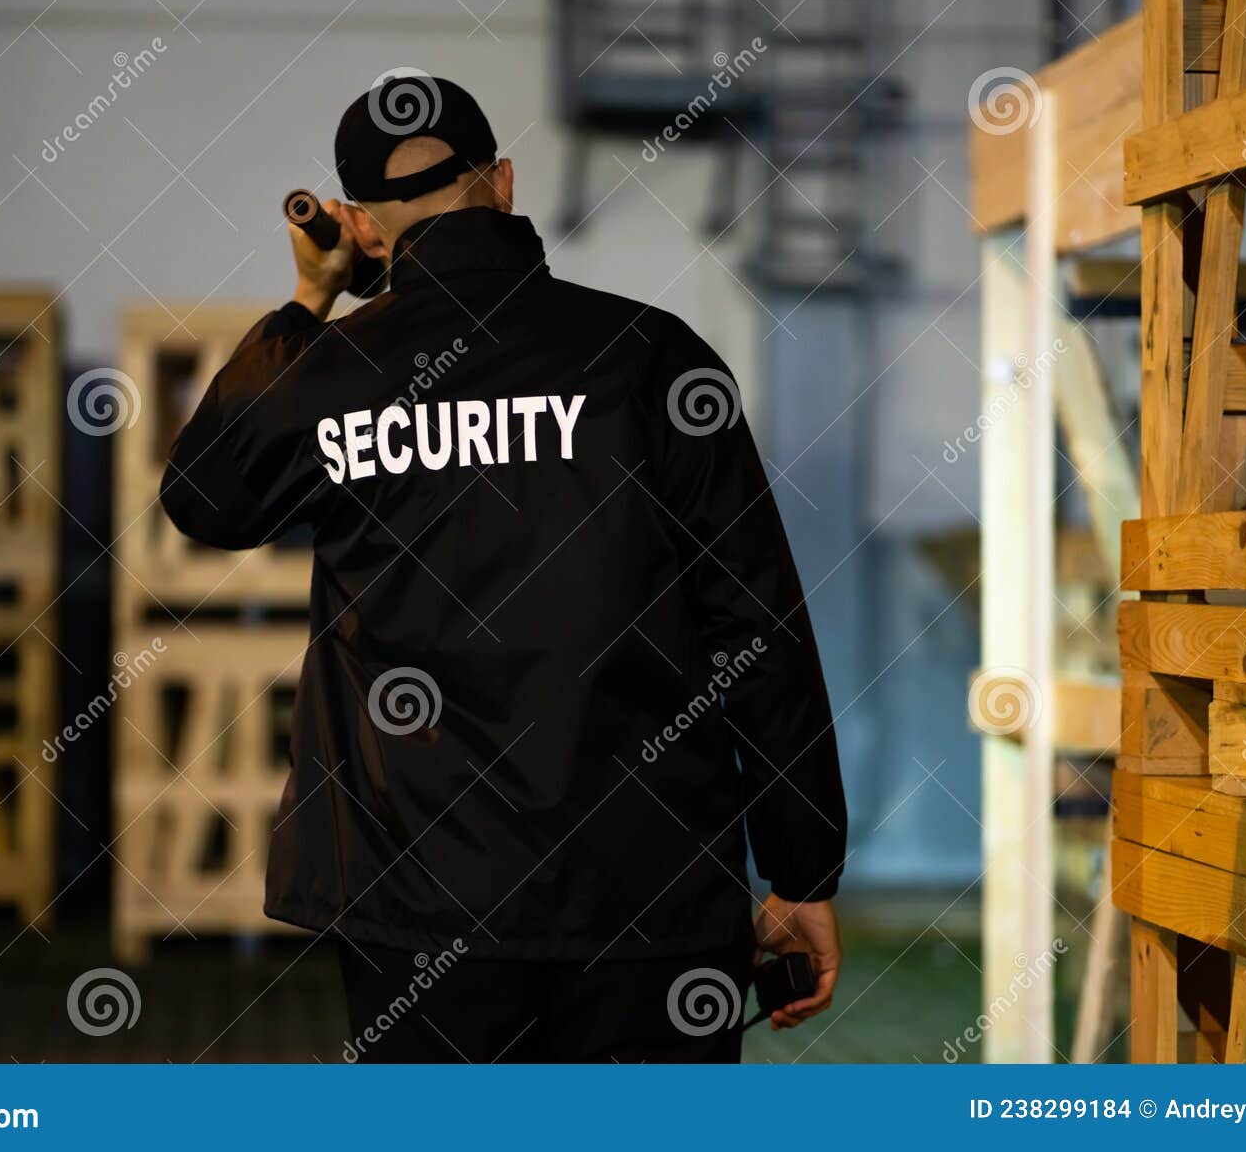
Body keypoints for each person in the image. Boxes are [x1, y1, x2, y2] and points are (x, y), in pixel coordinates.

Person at [160, 75, 847, 1063]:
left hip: (417, 907)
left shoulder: (331, 373)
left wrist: (309, 301)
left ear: (357, 223)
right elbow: (755, 623)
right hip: (645, 901)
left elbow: (206, 499)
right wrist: (801, 868)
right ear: (506, 183)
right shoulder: (649, 358)